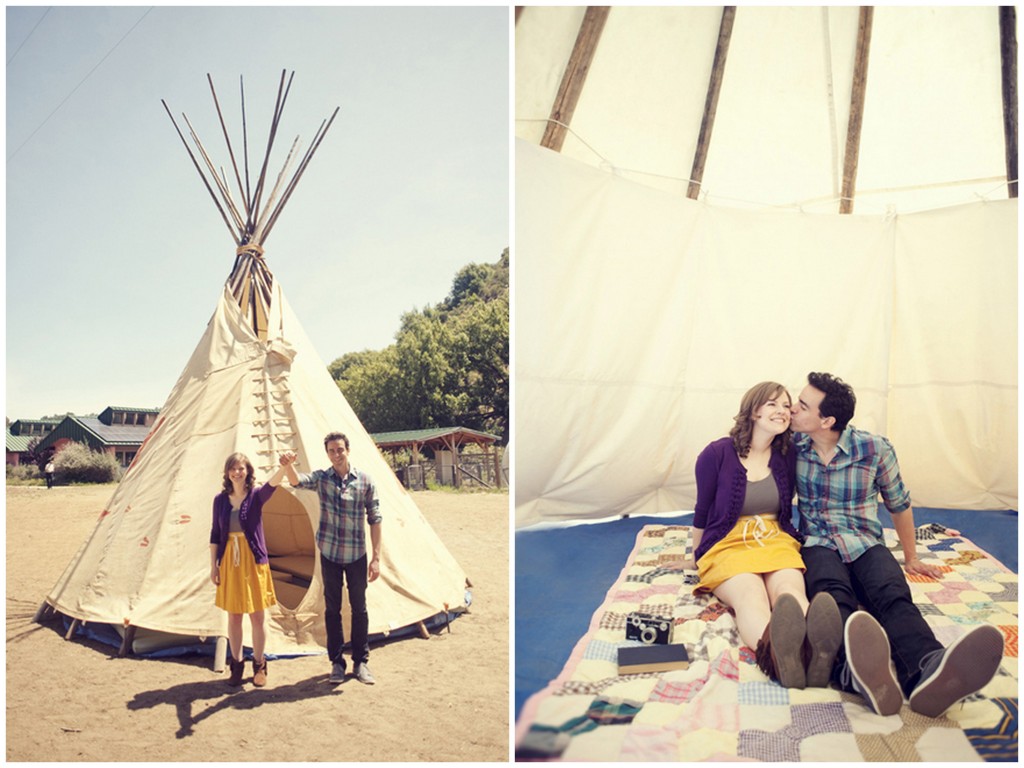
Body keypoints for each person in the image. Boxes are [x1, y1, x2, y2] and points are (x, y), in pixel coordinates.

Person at [790, 371, 1004, 717]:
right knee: (832, 597)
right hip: (817, 543)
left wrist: (911, 556)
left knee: (892, 594)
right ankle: (852, 673)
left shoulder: (874, 449)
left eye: (802, 406)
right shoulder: (791, 446)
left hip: (865, 541)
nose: (793, 409)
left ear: (827, 421)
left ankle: (927, 670)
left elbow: (899, 504)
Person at [693, 381, 842, 689]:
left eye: (787, 405)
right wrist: (697, 556)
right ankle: (777, 657)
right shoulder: (716, 453)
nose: (783, 411)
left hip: (775, 538)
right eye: (772, 404)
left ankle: (816, 655)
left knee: (789, 592)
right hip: (728, 542)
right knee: (751, 595)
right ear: (753, 411)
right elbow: (702, 510)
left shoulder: (787, 454)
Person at [281, 433, 382, 685]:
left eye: (340, 449)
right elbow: (297, 481)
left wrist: (376, 558)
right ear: (327, 453)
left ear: (348, 450)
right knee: (332, 609)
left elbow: (375, 519)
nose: (336, 455)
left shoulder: (365, 481)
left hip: (356, 554)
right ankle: (337, 662)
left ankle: (361, 662)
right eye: (331, 451)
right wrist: (288, 465)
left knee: (359, 608)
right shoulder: (322, 478)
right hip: (330, 554)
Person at [209, 452, 288, 688]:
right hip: (230, 562)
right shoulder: (220, 500)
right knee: (234, 616)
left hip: (253, 560)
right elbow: (215, 533)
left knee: (257, 615)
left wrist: (284, 467)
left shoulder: (255, 496)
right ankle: (236, 664)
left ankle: (259, 664)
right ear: (227, 472)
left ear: (248, 471)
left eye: (241, 468)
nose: (237, 473)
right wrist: (214, 566)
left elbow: (272, 485)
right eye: (233, 469)